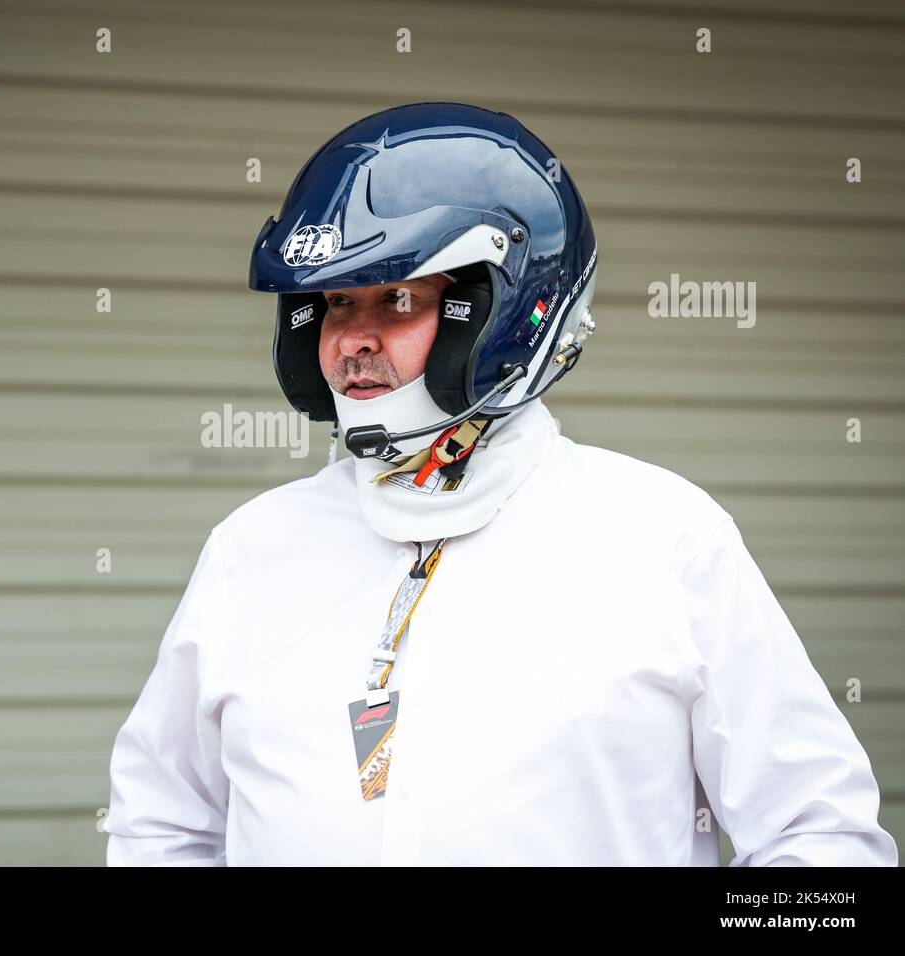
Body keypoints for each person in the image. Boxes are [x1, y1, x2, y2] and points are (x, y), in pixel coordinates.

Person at [102, 102, 898, 866]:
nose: (352, 341)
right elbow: (161, 822)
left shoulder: (664, 541)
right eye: (337, 303)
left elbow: (821, 839)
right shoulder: (251, 552)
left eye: (399, 298)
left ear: (502, 311)